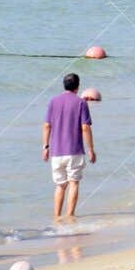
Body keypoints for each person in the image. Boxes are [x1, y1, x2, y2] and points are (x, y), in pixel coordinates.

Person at [43, 72, 95, 220]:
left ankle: (57, 217)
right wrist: (91, 149)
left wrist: (45, 147)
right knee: (73, 183)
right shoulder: (81, 103)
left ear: (64, 85)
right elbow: (85, 128)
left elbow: (47, 126)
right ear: (77, 87)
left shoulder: (53, 101)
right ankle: (70, 215)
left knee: (60, 185)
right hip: (74, 151)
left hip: (56, 152)